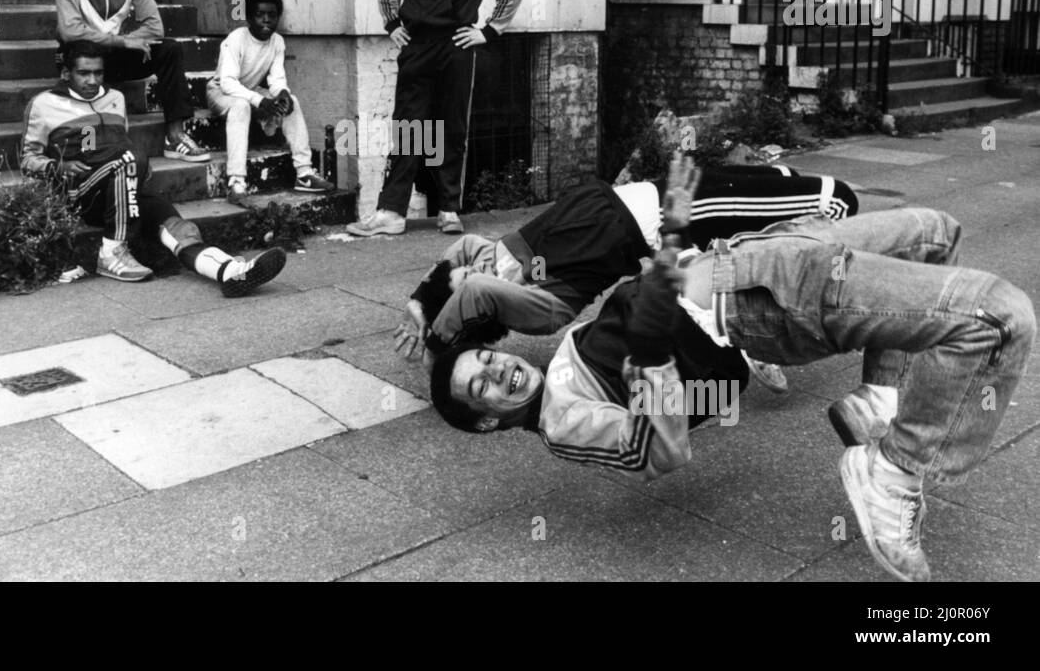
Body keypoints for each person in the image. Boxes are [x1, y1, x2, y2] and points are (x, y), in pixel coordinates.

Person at [429, 155, 1035, 583]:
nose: (498, 371)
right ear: (488, 424)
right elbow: (657, 451)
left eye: (487, 359)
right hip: (753, 304)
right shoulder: (564, 424)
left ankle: (878, 399)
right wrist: (653, 359)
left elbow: (623, 297)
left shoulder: (563, 362)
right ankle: (896, 472)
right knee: (997, 317)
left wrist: (671, 238)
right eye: (482, 387)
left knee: (933, 232)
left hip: (738, 262)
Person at [397, 165, 860, 392]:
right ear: (483, 311)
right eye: (467, 279)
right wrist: (440, 350)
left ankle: (750, 327)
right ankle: (848, 283)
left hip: (649, 203)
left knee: (773, 182)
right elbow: (477, 289)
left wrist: (420, 301)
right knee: (834, 199)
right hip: (663, 218)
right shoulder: (540, 307)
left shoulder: (487, 258)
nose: (474, 267)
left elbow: (461, 248)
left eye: (469, 269)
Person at [21, 40, 285, 295]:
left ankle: (228, 271)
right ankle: (111, 253)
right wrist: (57, 166)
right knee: (130, 157)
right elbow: (28, 159)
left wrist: (135, 167)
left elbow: (119, 143)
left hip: (124, 185)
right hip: (82, 191)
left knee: (177, 226)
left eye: (98, 73)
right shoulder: (44, 104)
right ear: (66, 73)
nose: (92, 80)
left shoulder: (114, 97)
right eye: (83, 73)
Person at [348, 0, 523, 238]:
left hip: (456, 45)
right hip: (416, 45)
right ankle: (392, 213)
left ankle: (448, 209)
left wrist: (488, 32)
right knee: (410, 126)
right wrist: (393, 23)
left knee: (450, 126)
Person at [55, 0, 210, 164]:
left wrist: (128, 42)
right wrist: (124, 41)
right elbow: (70, 31)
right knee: (81, 46)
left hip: (112, 57)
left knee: (169, 48)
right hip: (80, 60)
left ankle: (175, 135)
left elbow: (154, 27)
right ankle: (90, 141)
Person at [206, 0, 334, 205]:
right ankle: (236, 180)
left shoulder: (277, 42)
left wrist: (281, 93)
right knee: (241, 106)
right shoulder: (236, 39)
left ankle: (304, 173)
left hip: (251, 89)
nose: (266, 20)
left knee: (291, 101)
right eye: (259, 14)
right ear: (248, 18)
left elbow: (276, 79)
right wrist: (259, 101)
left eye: (272, 15)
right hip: (221, 92)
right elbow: (227, 83)